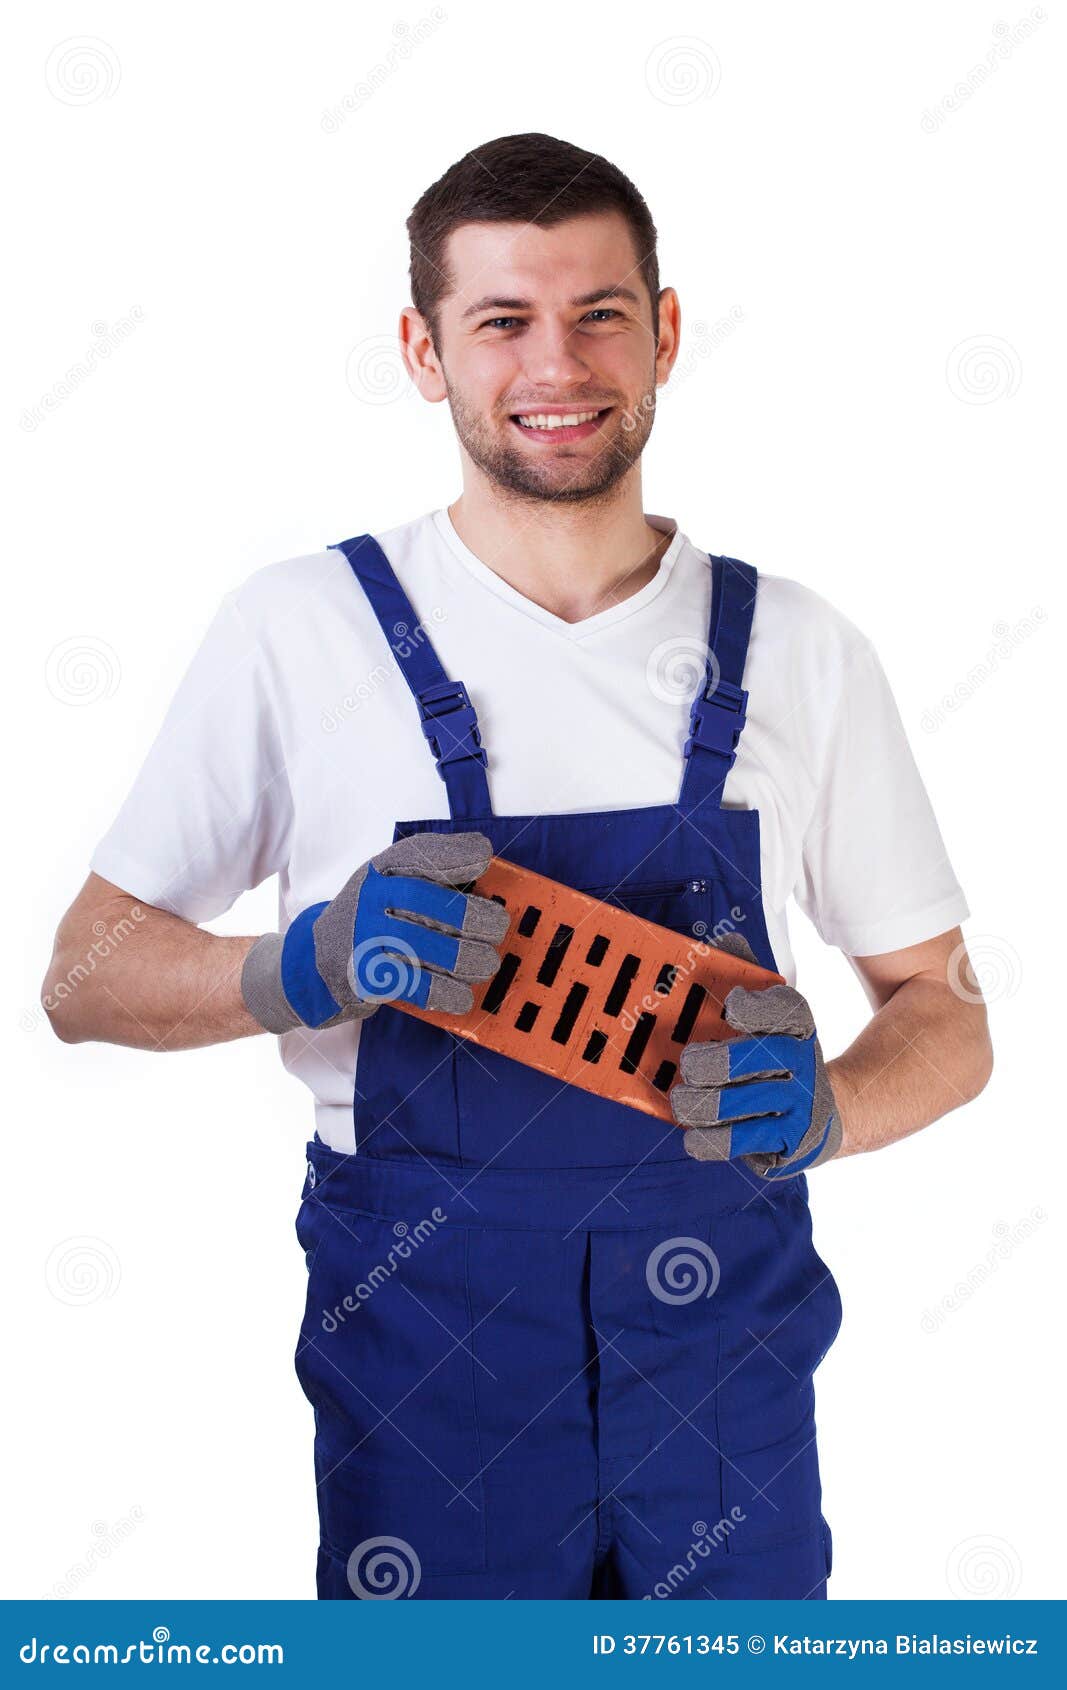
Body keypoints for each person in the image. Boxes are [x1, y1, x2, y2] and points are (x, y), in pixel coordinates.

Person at [42, 132, 992, 1601]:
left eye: (599, 313)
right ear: (424, 353)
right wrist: (300, 965)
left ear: (664, 333)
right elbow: (81, 979)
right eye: (502, 321)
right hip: (433, 1355)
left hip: (723, 1369)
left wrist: (836, 1108)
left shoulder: (799, 649)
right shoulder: (300, 632)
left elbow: (948, 1008)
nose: (558, 364)